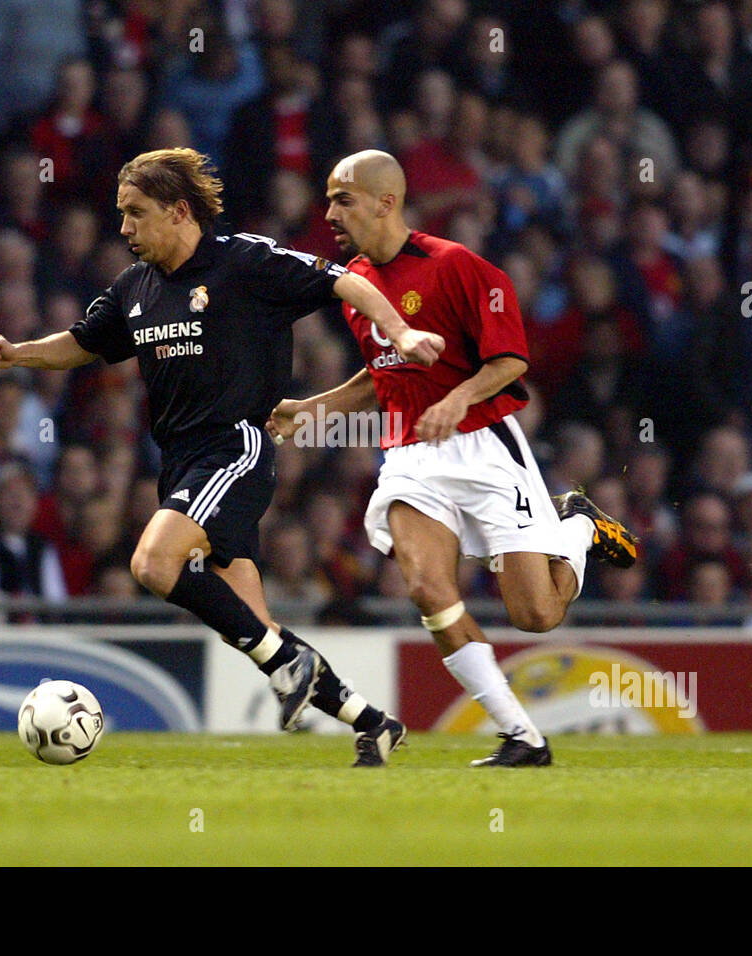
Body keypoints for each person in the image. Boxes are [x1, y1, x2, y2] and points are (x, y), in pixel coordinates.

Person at [0, 148, 443, 766]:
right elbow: (83, 345)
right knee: (257, 631)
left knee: (152, 563)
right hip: (181, 464)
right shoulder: (134, 289)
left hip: (236, 448)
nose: (124, 229)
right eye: (120, 214)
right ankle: (372, 721)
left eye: (135, 213)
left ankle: (291, 666)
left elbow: (347, 281)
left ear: (178, 211)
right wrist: (16, 352)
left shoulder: (244, 261)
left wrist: (403, 334)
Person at [267, 150, 638, 767]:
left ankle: (576, 527)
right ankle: (523, 737)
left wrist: (457, 398)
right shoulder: (354, 285)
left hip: (486, 446)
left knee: (536, 614)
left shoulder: (458, 266)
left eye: (342, 198)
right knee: (426, 586)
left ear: (387, 202)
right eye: (329, 199)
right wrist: (314, 409)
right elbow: (378, 373)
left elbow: (512, 360)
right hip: (409, 456)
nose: (328, 211)